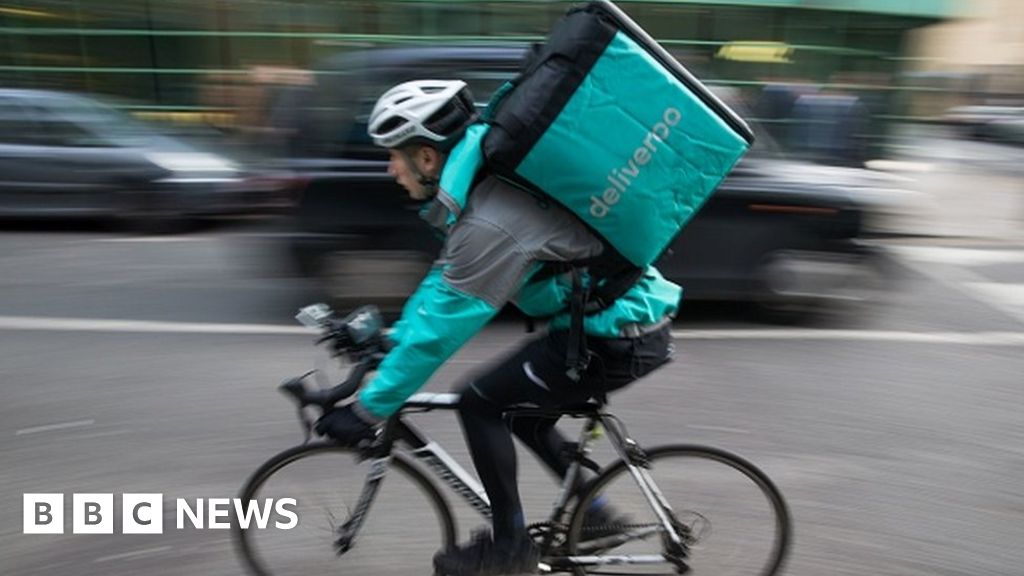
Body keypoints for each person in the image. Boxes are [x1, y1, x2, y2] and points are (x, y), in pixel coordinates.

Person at [315, 79, 680, 576]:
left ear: (426, 157)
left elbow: (446, 327)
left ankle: (511, 550)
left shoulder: (492, 218)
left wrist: (367, 409)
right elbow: (446, 282)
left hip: (616, 335)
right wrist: (391, 341)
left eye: (394, 156)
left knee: (480, 402)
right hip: (610, 325)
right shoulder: (482, 189)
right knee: (520, 412)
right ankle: (594, 516)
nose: (389, 168)